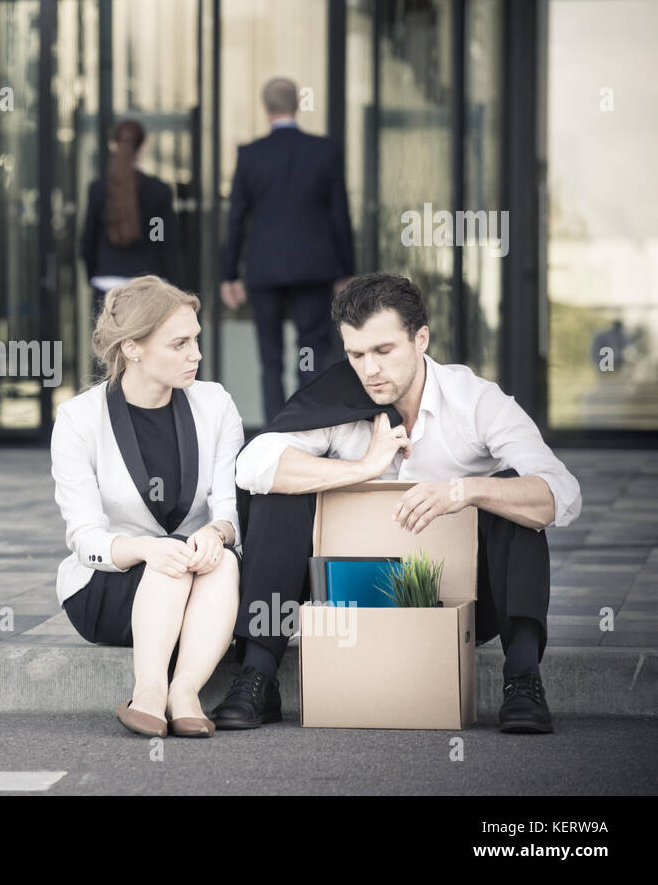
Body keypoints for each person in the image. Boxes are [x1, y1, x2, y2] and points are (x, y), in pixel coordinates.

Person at [217, 273, 582, 734]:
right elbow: (251, 465)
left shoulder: (476, 403)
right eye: (356, 354)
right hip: (349, 593)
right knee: (280, 489)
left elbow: (561, 494)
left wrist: (464, 490)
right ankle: (258, 673)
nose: (369, 370)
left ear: (420, 339)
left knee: (514, 493)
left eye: (383, 351)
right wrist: (363, 469)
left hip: (456, 594)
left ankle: (523, 676)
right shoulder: (340, 399)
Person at [51, 275, 245, 738]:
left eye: (195, 340)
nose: (195, 354)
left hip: (202, 588)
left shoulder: (216, 404)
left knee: (218, 562)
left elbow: (229, 507)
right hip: (109, 587)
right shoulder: (79, 419)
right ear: (133, 349)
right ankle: (150, 691)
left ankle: (184, 692)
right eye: (179, 344)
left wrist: (215, 534)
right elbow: (83, 538)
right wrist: (144, 548)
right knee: (169, 561)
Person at [219, 77, 355, 422]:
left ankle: (276, 429)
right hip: (313, 269)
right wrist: (345, 269)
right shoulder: (325, 151)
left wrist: (229, 274)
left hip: (264, 270)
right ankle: (306, 425)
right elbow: (341, 213)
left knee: (270, 357)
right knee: (310, 348)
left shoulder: (250, 155)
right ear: (297, 105)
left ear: (266, 109)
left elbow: (236, 218)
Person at [80, 120, 182, 321]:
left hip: (107, 286)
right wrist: (173, 285)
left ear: (112, 145)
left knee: (111, 351)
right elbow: (162, 241)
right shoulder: (158, 191)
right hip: (148, 285)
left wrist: (97, 273)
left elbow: (87, 242)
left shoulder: (98, 189)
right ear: (143, 148)